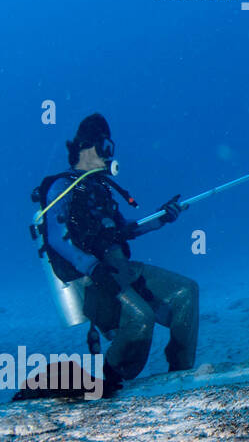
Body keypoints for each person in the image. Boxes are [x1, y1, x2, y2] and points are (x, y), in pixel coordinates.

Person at [33, 113, 197, 392]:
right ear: (85, 148)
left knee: (186, 291)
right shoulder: (61, 186)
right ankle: (110, 378)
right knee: (141, 316)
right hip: (94, 277)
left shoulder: (100, 189)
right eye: (105, 148)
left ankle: (180, 372)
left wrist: (161, 218)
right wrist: (93, 268)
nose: (110, 155)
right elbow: (57, 239)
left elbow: (125, 230)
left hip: (121, 267)